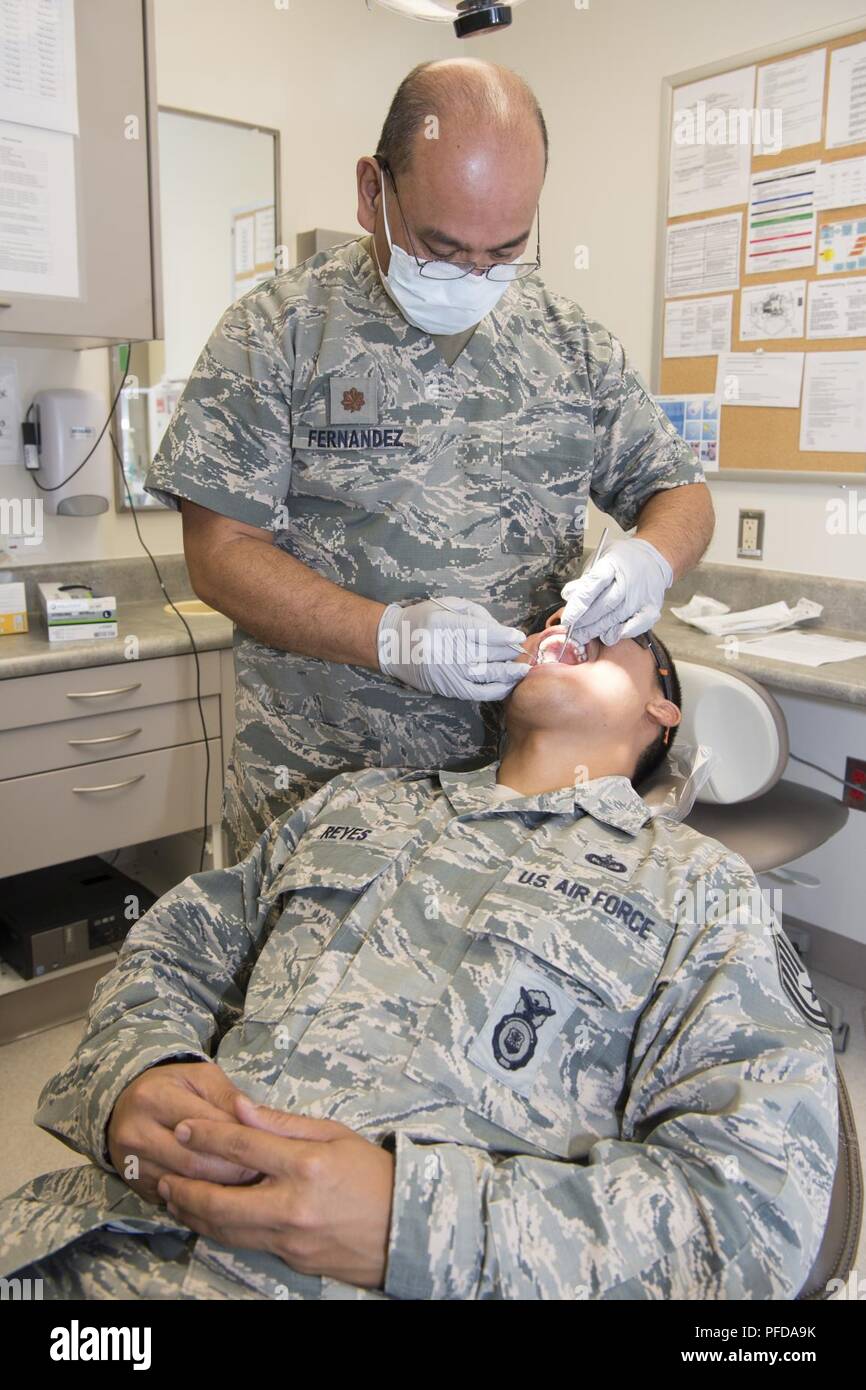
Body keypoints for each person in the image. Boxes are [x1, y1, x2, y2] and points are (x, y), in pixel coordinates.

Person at [0, 625, 837, 1300]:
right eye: (554, 621)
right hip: (102, 1251)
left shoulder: (694, 883)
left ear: (663, 710)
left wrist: (417, 1224)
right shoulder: (357, 800)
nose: (566, 627)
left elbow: (753, 1214)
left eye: (612, 630)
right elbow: (171, 950)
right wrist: (137, 1073)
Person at [144, 56, 714, 862]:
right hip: (317, 801)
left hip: (511, 814)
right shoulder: (275, 335)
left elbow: (680, 491)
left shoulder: (570, 344)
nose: (477, 275)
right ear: (374, 192)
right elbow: (220, 557)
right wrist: (389, 638)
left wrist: (654, 556)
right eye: (443, 249)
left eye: (507, 248)